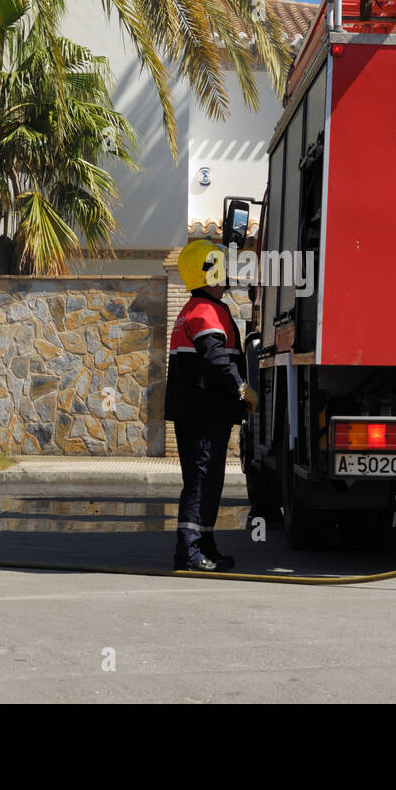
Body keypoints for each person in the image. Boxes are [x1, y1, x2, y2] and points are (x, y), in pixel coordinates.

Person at [165, 240, 258, 571]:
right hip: (203, 414)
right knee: (203, 479)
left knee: (205, 480)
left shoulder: (194, 308)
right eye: (219, 267)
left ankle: (202, 545)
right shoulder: (205, 310)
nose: (226, 274)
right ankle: (191, 552)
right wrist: (242, 388)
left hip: (198, 412)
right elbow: (215, 356)